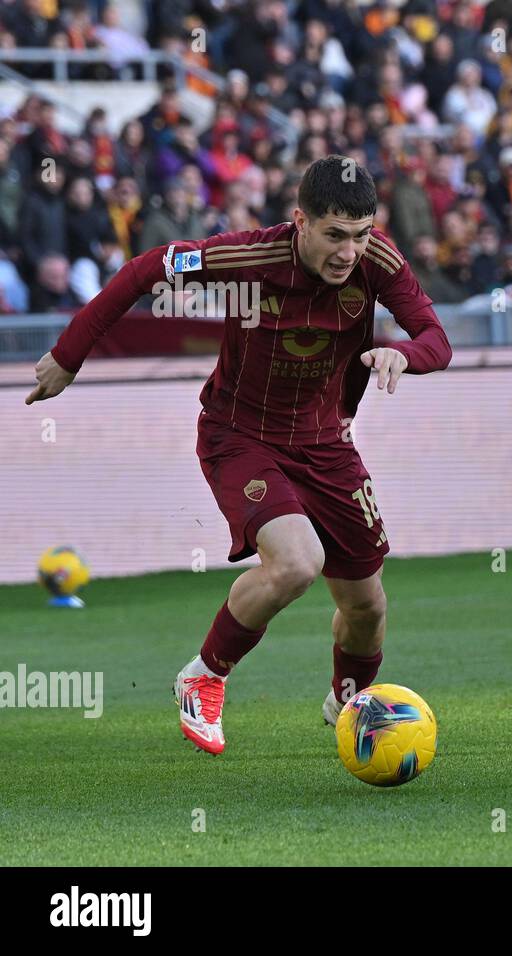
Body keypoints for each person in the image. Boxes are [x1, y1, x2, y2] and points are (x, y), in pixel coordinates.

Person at [26, 155, 454, 754]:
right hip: (240, 436)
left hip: (327, 444)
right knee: (297, 564)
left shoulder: (377, 261)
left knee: (367, 606)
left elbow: (437, 338)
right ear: (300, 221)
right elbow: (147, 268)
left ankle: (348, 703)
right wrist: (69, 355)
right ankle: (204, 674)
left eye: (359, 236)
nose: (348, 252)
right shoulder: (249, 258)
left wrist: (405, 355)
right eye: (334, 235)